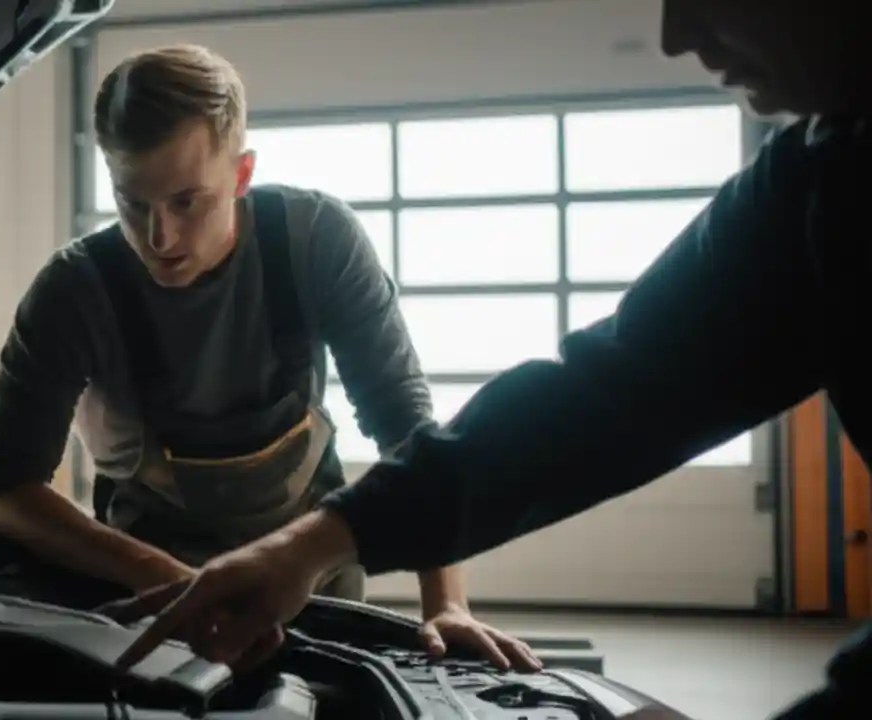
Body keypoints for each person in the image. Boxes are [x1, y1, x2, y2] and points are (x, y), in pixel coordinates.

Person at [113, 2, 872, 716]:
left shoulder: (312, 237)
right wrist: (309, 546)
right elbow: (605, 394)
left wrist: (439, 598)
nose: (676, 36)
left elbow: (406, 411)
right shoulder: (814, 177)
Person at [0, 44, 539, 671]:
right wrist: (163, 578)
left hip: (313, 594)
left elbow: (408, 427)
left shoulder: (316, 242)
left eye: (188, 201)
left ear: (241, 176)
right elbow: (3, 487)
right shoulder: (74, 290)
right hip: (152, 610)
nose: (159, 238)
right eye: (134, 203)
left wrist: (446, 604)